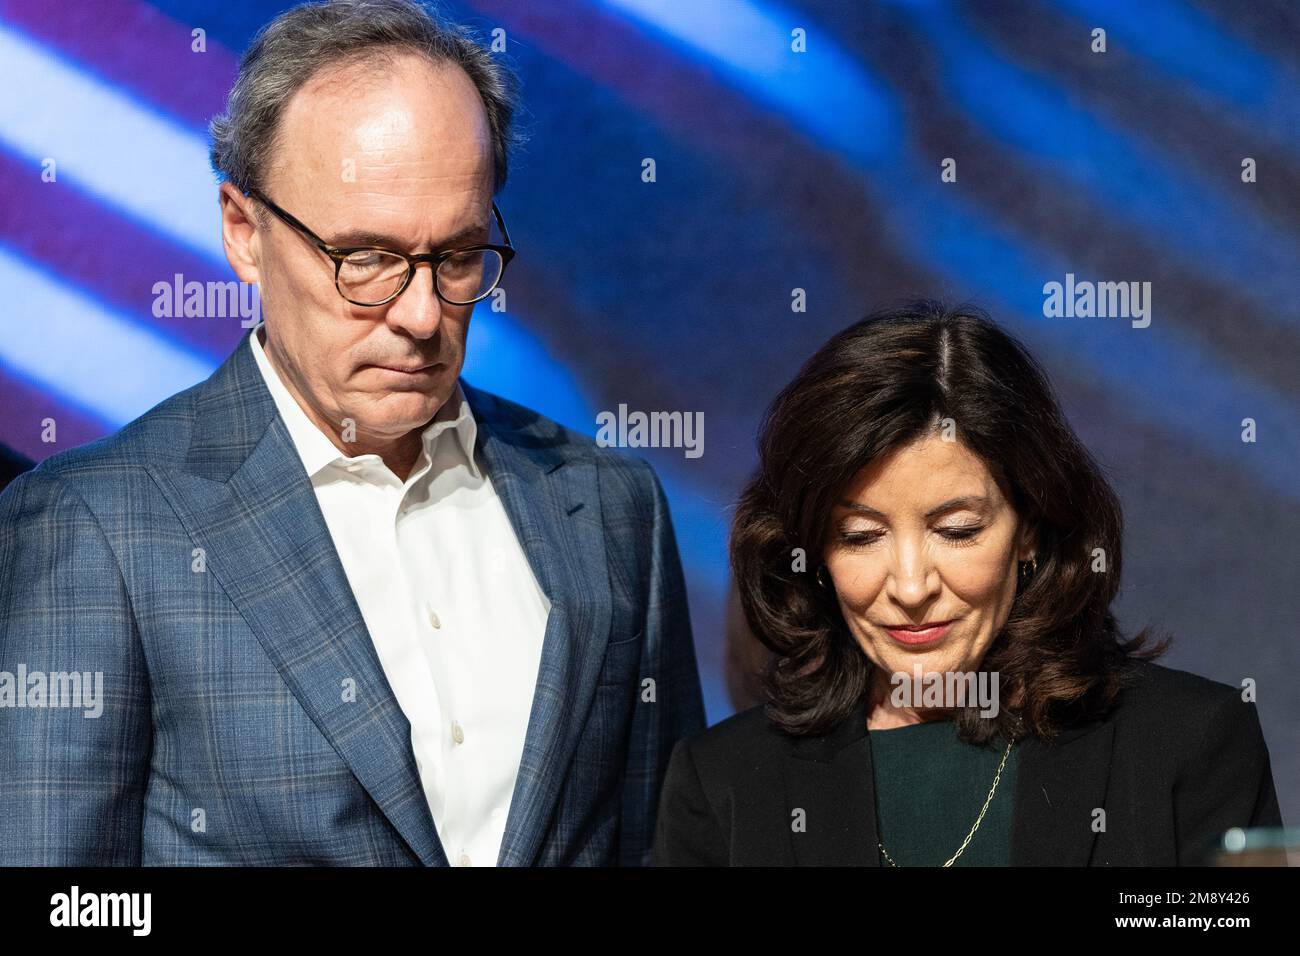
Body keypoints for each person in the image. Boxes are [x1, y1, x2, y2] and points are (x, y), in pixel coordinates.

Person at [0, 0, 704, 866]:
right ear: (243, 232)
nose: (420, 314)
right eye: (364, 258)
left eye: (456, 257)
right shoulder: (97, 527)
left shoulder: (611, 508)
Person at [653, 300, 1281, 866]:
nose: (909, 585)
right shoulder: (724, 785)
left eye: (955, 530)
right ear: (813, 554)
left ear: (1030, 527)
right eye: (860, 536)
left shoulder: (1189, 742)